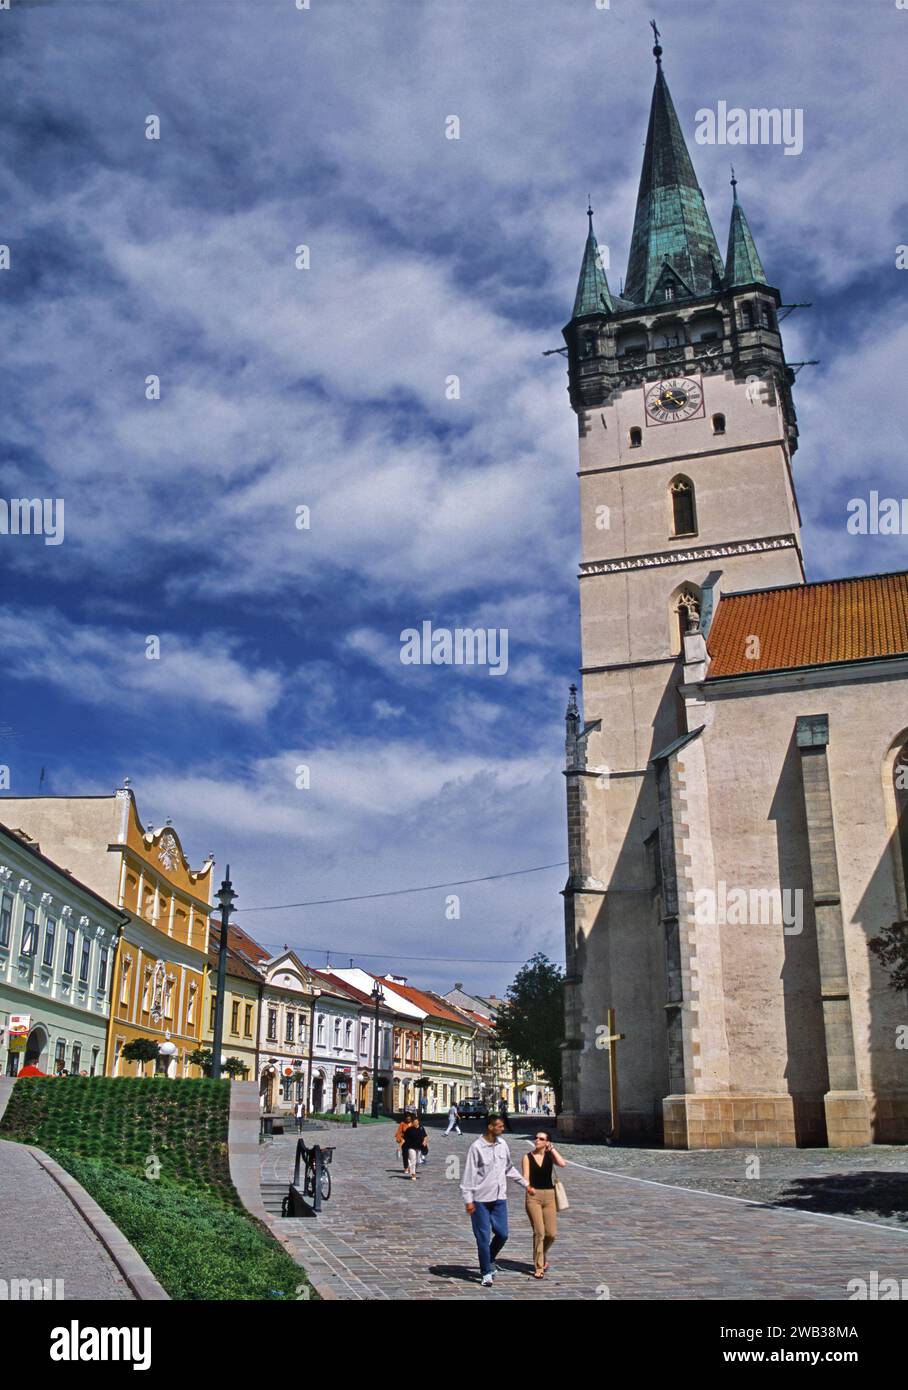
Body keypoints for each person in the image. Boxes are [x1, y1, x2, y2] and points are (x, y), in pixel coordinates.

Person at [461, 1115, 530, 1287]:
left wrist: (525, 1184)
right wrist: (468, 1200)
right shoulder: (476, 1147)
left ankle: (489, 1257)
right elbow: (469, 1175)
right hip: (480, 1200)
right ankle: (486, 1272)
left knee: (503, 1233)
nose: (502, 1128)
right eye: (499, 1126)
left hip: (499, 1198)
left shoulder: (503, 1145)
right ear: (490, 1127)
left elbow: (508, 1167)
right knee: (483, 1238)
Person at [522, 1130, 568, 1279]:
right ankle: (539, 1266)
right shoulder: (527, 1157)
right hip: (533, 1196)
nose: (537, 1140)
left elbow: (562, 1164)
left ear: (547, 1142)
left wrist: (552, 1149)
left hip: (550, 1196)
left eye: (541, 1139)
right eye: (536, 1138)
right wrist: (529, 1188)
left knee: (551, 1234)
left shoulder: (549, 1156)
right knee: (539, 1232)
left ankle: (542, 1253)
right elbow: (525, 1178)